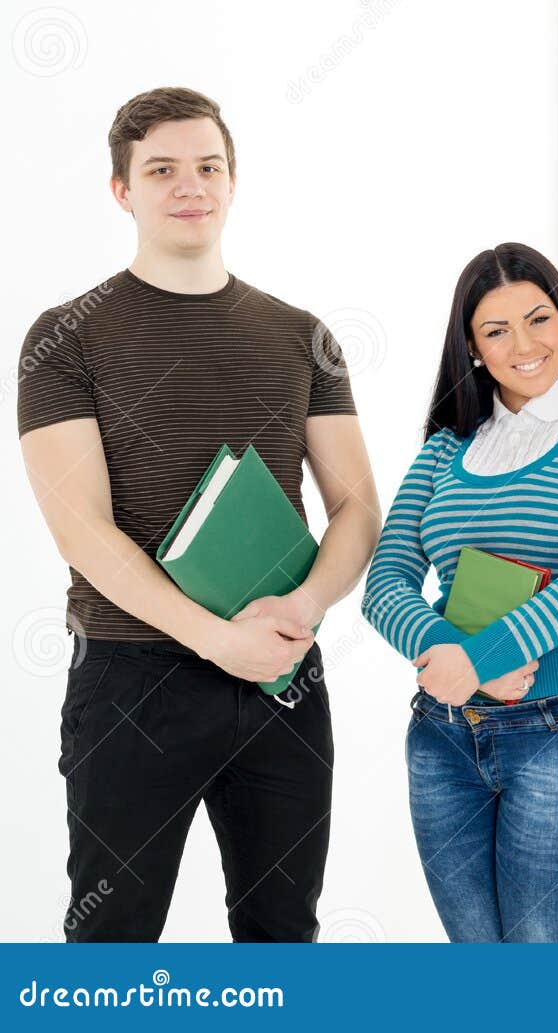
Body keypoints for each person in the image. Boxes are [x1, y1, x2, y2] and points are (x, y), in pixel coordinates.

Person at [17, 87, 380, 941]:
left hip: (284, 670)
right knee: (113, 941)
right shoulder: (65, 336)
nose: (191, 186)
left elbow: (359, 506)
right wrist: (217, 639)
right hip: (132, 675)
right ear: (123, 190)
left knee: (284, 932)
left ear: (233, 180)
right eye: (162, 169)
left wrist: (303, 607)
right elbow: (82, 530)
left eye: (208, 166)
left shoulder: (302, 334)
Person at [361, 243, 558, 942]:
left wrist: (486, 656)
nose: (524, 345)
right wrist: (455, 657)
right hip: (445, 733)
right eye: (497, 330)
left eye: (539, 319)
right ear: (472, 348)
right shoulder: (444, 448)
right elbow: (385, 581)